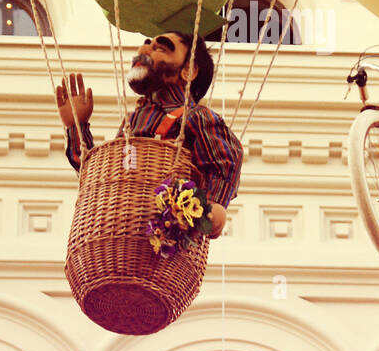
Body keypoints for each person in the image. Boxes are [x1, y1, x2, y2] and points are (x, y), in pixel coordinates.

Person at [56, 32, 243, 239]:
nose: (143, 51)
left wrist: (214, 203)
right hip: (117, 236)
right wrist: (76, 125)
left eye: (160, 49)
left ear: (188, 71)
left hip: (166, 236)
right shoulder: (130, 125)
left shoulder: (196, 117)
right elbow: (99, 173)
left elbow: (225, 160)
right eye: (146, 45)